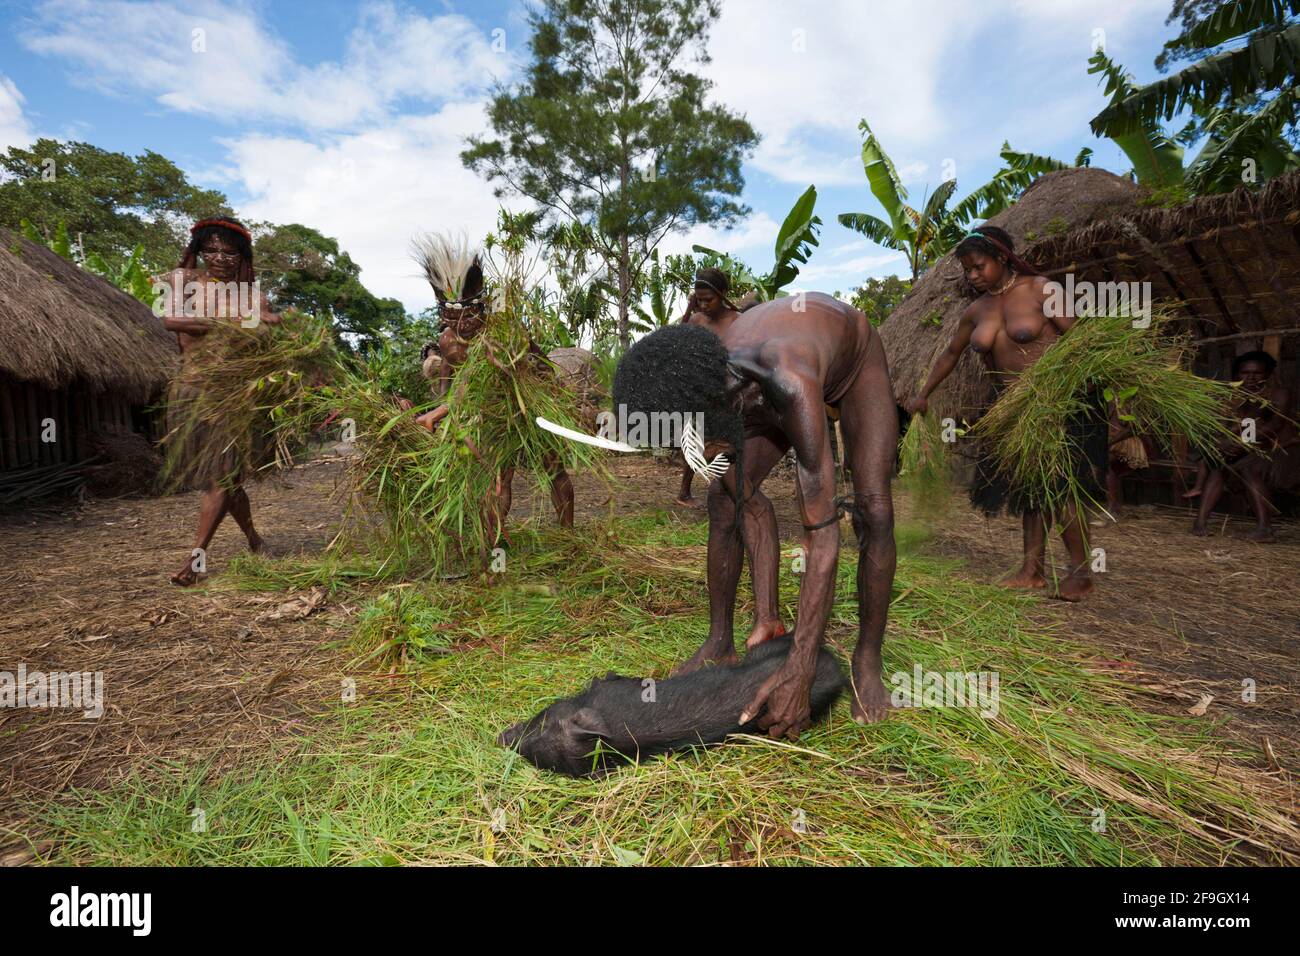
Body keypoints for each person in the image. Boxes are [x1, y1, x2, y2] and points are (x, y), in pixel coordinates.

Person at [611, 292, 898, 736]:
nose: (681, 449)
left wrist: (799, 669)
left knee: (874, 511)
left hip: (854, 363)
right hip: (755, 389)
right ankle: (719, 640)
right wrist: (767, 615)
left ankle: (867, 657)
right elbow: (753, 507)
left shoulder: (787, 378)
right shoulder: (713, 388)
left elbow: (821, 534)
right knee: (724, 499)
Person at [906, 225, 1104, 602]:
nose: (973, 275)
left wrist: (1057, 387)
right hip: (1013, 407)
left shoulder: (1042, 290)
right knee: (1031, 490)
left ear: (1002, 258)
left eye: (979, 266)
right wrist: (924, 393)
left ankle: (1081, 574)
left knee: (1062, 489)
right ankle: (1032, 571)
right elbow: (951, 353)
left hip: (1056, 402)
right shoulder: (976, 310)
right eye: (968, 270)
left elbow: (1080, 342)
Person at [158, 217, 282, 586]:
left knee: (222, 477)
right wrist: (231, 322)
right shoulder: (182, 281)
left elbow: (264, 334)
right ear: (198, 250)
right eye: (211, 249)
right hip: (191, 390)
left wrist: (273, 324)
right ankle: (254, 539)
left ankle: (195, 559)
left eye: (229, 251)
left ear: (241, 255)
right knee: (221, 479)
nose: (220, 257)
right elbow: (170, 321)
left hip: (233, 394)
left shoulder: (252, 297)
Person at [1191, 351, 1294, 542]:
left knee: (1249, 468)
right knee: (1220, 465)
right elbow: (1236, 428)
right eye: (1245, 373)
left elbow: (1275, 426)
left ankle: (1265, 529)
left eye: (1257, 373)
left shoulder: (1279, 394)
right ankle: (1200, 523)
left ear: (1268, 375)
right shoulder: (1239, 399)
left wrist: (1239, 445)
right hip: (1255, 448)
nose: (1250, 378)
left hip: (1283, 451)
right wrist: (1225, 445)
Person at [675, 268, 743, 507]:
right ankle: (684, 491)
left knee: (726, 442)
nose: (703, 305)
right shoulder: (696, 320)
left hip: (730, 390)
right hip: (701, 389)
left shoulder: (737, 320)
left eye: (708, 299)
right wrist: (688, 309)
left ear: (723, 293)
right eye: (699, 299)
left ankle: (729, 490)